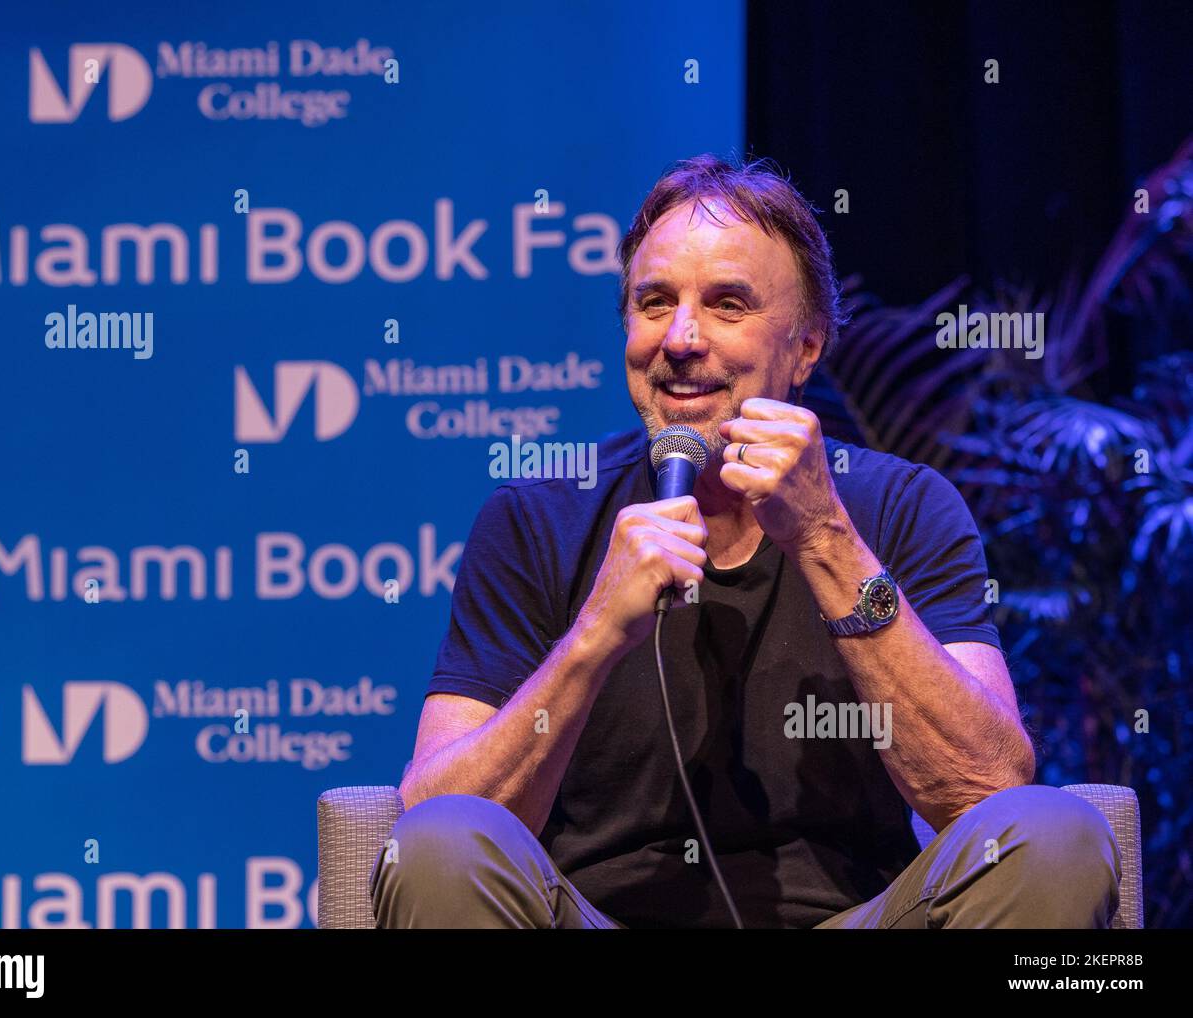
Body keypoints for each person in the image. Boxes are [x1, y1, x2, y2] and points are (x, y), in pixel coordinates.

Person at [371, 154, 1121, 928]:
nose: (682, 338)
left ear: (807, 346)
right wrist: (593, 638)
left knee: (1054, 838)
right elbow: (432, 817)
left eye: (728, 304)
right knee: (444, 844)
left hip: (851, 920)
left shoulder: (901, 506)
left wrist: (828, 541)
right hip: (599, 920)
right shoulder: (537, 517)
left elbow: (990, 787)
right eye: (654, 302)